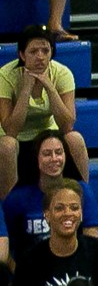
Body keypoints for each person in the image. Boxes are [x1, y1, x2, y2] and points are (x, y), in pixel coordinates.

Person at [0, 25, 84, 202]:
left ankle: (82, 200)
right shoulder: (5, 76)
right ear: (22, 55)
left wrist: (50, 88)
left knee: (75, 139)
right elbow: (11, 130)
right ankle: (6, 214)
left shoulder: (62, 73)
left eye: (45, 51)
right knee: (7, 145)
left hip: (47, 137)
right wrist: (26, 89)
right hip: (16, 140)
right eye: (33, 51)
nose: (40, 56)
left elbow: (67, 124)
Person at [4, 129, 98, 246]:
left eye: (59, 152)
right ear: (36, 158)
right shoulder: (17, 198)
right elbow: (8, 241)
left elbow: (93, 240)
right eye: (47, 154)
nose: (54, 158)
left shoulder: (82, 190)